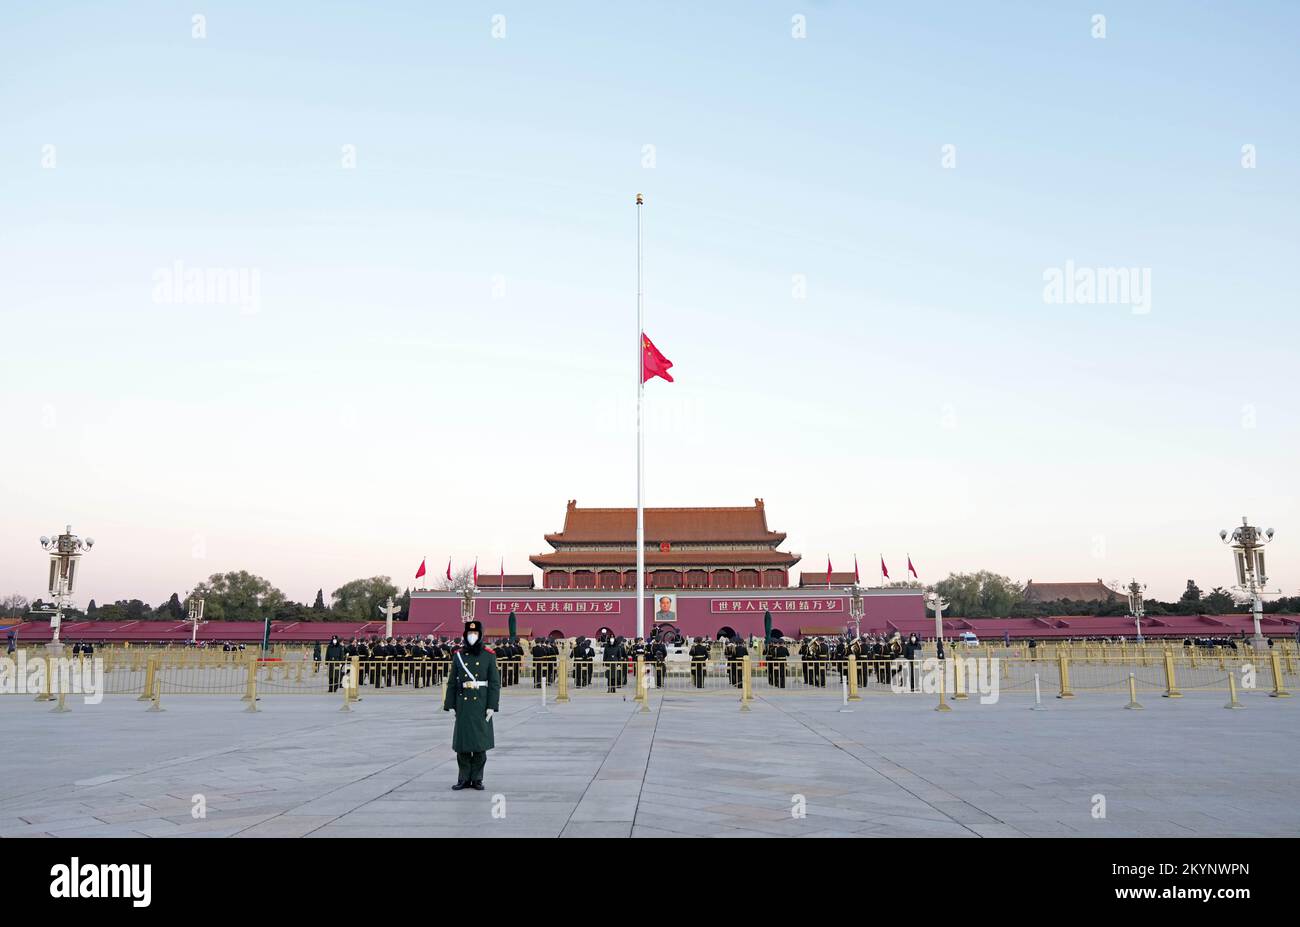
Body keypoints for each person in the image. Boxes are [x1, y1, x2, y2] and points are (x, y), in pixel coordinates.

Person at [442, 620, 500, 791]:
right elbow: (452, 682)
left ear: (480, 635)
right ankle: (463, 778)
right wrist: (450, 703)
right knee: (463, 744)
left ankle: (477, 778)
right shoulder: (458, 655)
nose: (472, 637)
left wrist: (492, 705)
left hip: (481, 703)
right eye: (469, 634)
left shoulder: (488, 655)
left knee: (480, 745)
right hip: (464, 704)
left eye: (475, 634)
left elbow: (495, 683)